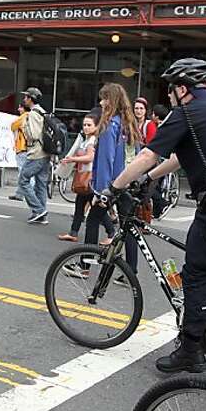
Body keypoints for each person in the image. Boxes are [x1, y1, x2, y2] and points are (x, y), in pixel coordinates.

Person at [101, 58, 206, 373]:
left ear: (182, 89)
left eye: (171, 89)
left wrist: (114, 187)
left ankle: (191, 351)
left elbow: (148, 154)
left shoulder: (185, 112)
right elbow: (176, 157)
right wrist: (150, 179)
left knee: (196, 274)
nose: (169, 96)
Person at [62, 83, 141, 276]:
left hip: (113, 184)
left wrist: (101, 191)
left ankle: (85, 265)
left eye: (104, 98)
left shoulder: (109, 125)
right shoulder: (129, 124)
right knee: (128, 226)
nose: (101, 102)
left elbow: (106, 159)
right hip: (128, 182)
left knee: (92, 221)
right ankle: (130, 271)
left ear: (111, 101)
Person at [57, 114, 100, 242]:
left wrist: (72, 159)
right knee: (80, 204)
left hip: (90, 177)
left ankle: (111, 232)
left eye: (89, 125)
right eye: (84, 125)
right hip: (83, 175)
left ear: (96, 126)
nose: (86, 127)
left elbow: (90, 157)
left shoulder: (92, 140)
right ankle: (73, 232)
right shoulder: (86, 139)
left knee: (95, 207)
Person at [19, 88, 52, 224]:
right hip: (46, 153)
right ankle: (41, 215)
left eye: (26, 97)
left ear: (31, 98)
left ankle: (38, 209)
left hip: (36, 153)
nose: (24, 99)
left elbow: (33, 135)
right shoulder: (43, 111)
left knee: (23, 180)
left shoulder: (33, 114)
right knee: (41, 184)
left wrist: (24, 126)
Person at [9, 103, 29, 201]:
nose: (18, 109)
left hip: (22, 148)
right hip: (28, 149)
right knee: (24, 173)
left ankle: (29, 194)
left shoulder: (24, 117)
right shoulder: (32, 117)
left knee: (23, 173)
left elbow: (13, 126)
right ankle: (19, 194)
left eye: (20, 107)